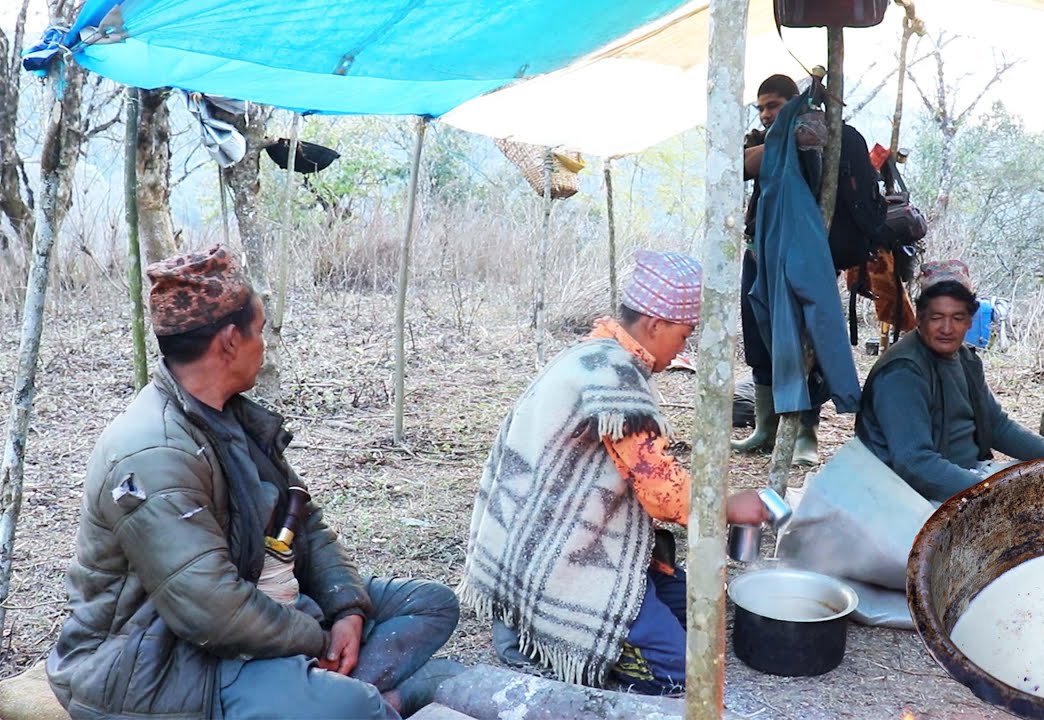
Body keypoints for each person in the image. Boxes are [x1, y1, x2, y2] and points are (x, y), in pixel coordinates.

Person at [46, 246, 461, 719]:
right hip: (156, 660)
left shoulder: (231, 416)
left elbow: (305, 520)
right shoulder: (154, 452)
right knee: (354, 708)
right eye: (259, 332)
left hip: (253, 607)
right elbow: (211, 611)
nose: (264, 347)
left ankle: (321, 688)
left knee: (431, 605)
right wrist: (319, 635)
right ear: (228, 341)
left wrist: (347, 608)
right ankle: (343, 695)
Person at [460, 249, 768, 696]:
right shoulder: (615, 377)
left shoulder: (595, 354)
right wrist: (727, 505)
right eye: (683, 336)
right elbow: (661, 493)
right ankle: (537, 640)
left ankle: (523, 623)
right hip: (559, 557)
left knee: (705, 612)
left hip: (538, 540)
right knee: (681, 670)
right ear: (655, 325)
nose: (683, 348)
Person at [855, 260, 1044, 503]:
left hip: (967, 474)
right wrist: (990, 494)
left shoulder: (965, 359)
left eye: (957, 318)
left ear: (970, 322)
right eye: (937, 317)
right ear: (920, 319)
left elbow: (997, 425)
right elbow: (915, 463)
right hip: (908, 492)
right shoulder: (903, 371)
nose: (946, 328)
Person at [734, 73, 824, 464]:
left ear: (794, 103)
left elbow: (754, 164)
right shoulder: (770, 139)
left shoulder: (810, 135)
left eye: (774, 106)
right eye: (762, 108)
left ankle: (806, 432)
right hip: (758, 252)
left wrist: (772, 145)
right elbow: (740, 167)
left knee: (804, 342)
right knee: (757, 337)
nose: (768, 114)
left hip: (798, 256)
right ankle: (765, 427)